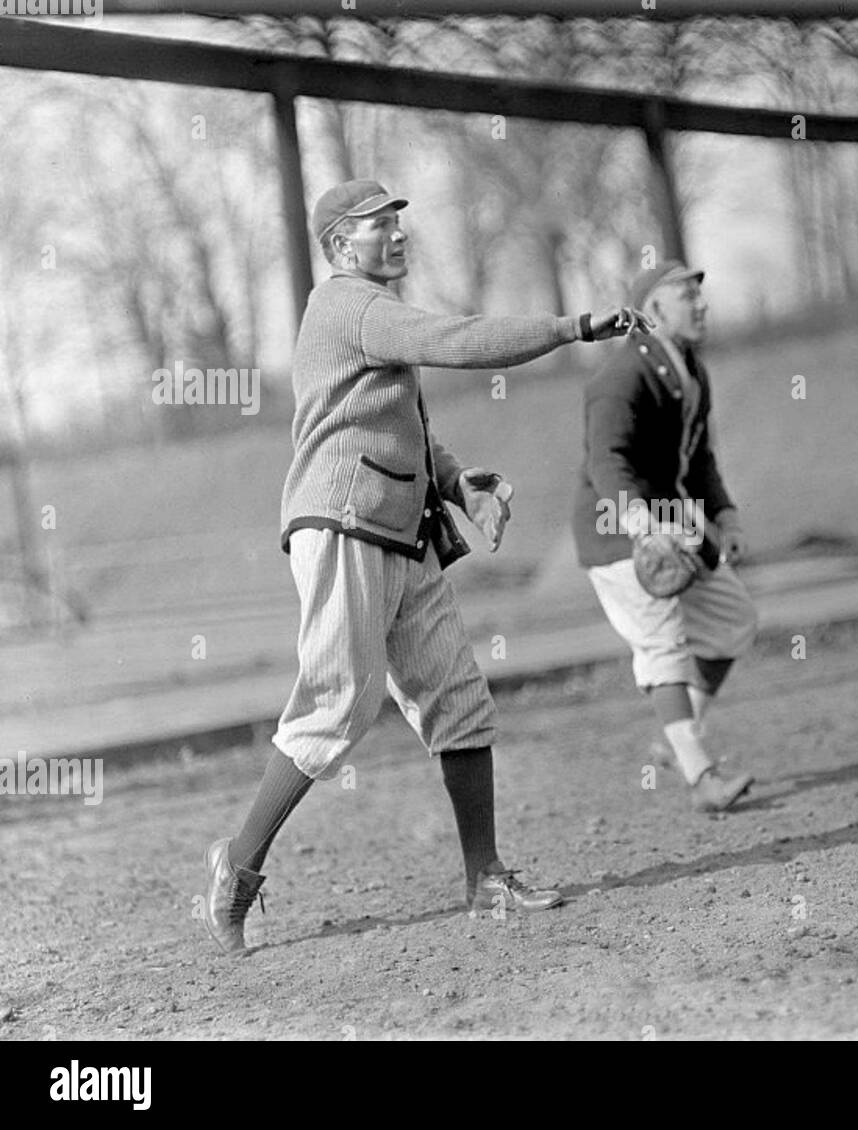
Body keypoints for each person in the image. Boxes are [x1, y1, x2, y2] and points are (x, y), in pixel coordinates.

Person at [202, 180, 649, 953]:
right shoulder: (347, 304)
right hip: (341, 523)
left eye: (399, 222)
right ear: (342, 243)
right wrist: (571, 326)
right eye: (381, 225)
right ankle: (236, 866)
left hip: (398, 530)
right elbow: (458, 339)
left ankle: (486, 881)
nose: (398, 235)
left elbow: (394, 422)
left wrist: (452, 479)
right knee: (339, 701)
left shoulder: (368, 314)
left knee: (457, 696)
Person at [572, 260, 758, 812]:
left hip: (673, 526)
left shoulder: (690, 368)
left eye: (700, 294)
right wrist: (640, 526)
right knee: (662, 647)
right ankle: (702, 776)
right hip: (619, 534)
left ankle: (677, 738)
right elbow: (607, 460)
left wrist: (724, 514)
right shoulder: (620, 376)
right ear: (652, 310)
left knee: (732, 620)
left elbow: (698, 458)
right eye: (686, 295)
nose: (701, 304)